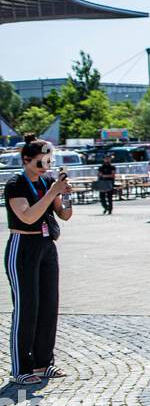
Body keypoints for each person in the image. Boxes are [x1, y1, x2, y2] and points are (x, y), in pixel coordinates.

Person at [5, 134, 73, 385]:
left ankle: (44, 363)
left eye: (48, 161)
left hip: (46, 246)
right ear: (26, 160)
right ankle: (21, 368)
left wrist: (64, 193)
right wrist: (52, 191)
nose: (46, 166)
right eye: (40, 162)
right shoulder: (15, 184)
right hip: (23, 245)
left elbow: (65, 214)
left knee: (48, 305)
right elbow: (28, 217)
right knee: (26, 307)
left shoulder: (47, 182)